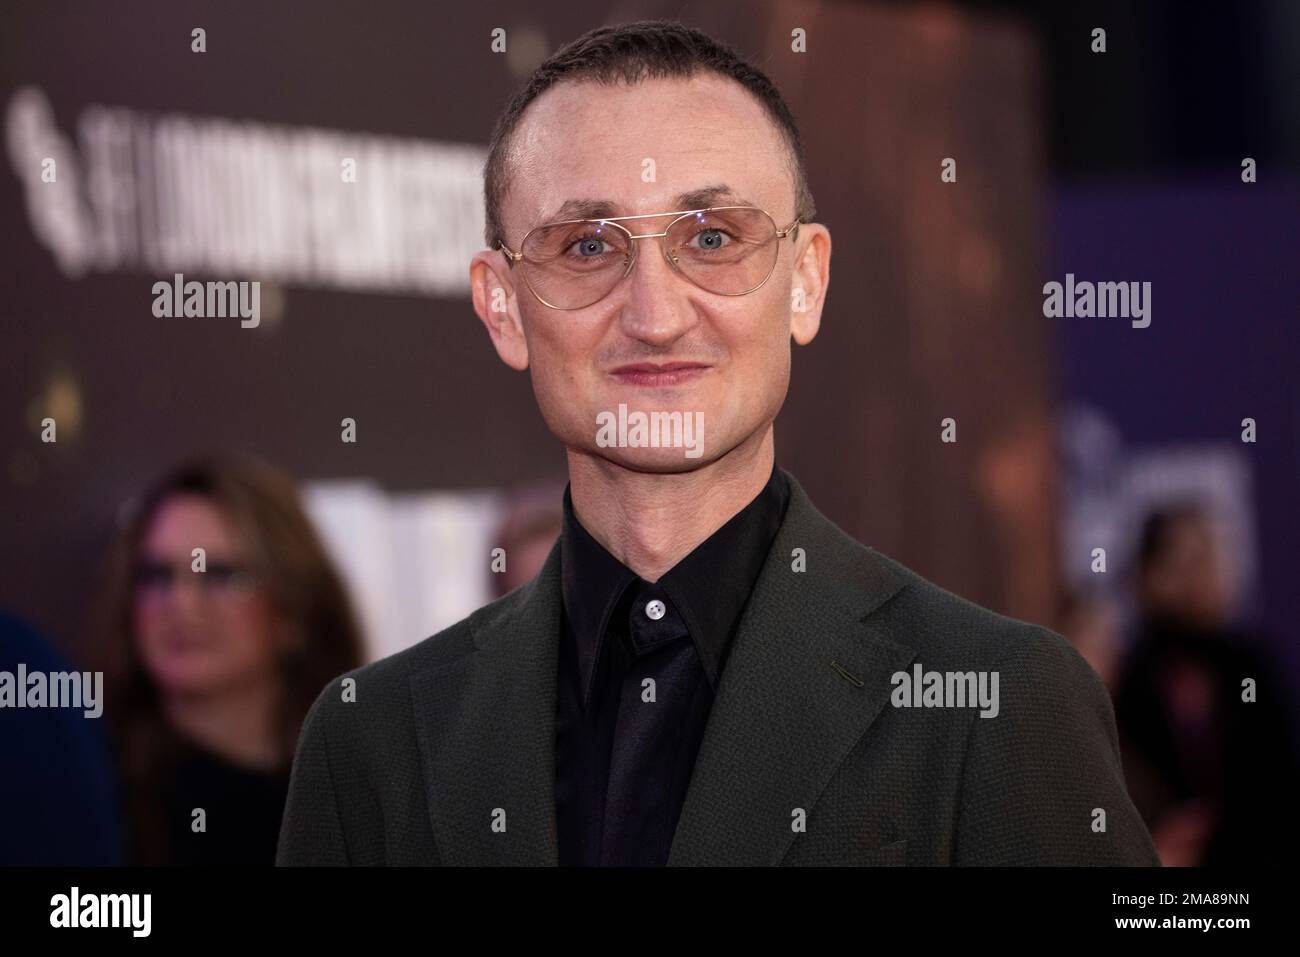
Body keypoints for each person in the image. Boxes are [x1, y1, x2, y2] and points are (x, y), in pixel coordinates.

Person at [278, 19, 1157, 866]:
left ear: (806, 282)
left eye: (711, 238)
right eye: (588, 245)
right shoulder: (372, 744)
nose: (655, 316)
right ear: (502, 306)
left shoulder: (996, 700)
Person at [94, 453, 364, 865]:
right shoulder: (89, 782)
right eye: (157, 575)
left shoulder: (360, 792)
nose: (181, 605)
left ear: (295, 612)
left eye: (222, 575)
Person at [1114, 503, 1300, 865]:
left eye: (1212, 556)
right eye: (1188, 560)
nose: (1206, 575)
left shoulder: (1251, 665)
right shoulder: (1130, 678)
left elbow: (1282, 781)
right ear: (1148, 574)